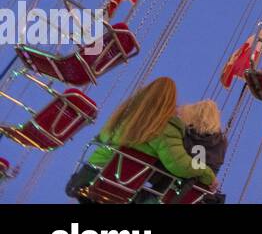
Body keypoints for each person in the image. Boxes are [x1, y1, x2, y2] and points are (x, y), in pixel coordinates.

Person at [72, 78, 217, 202]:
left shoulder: (125, 114)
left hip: (88, 177)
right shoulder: (165, 127)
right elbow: (178, 164)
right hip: (120, 188)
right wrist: (207, 173)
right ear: (170, 102)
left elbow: (103, 137)